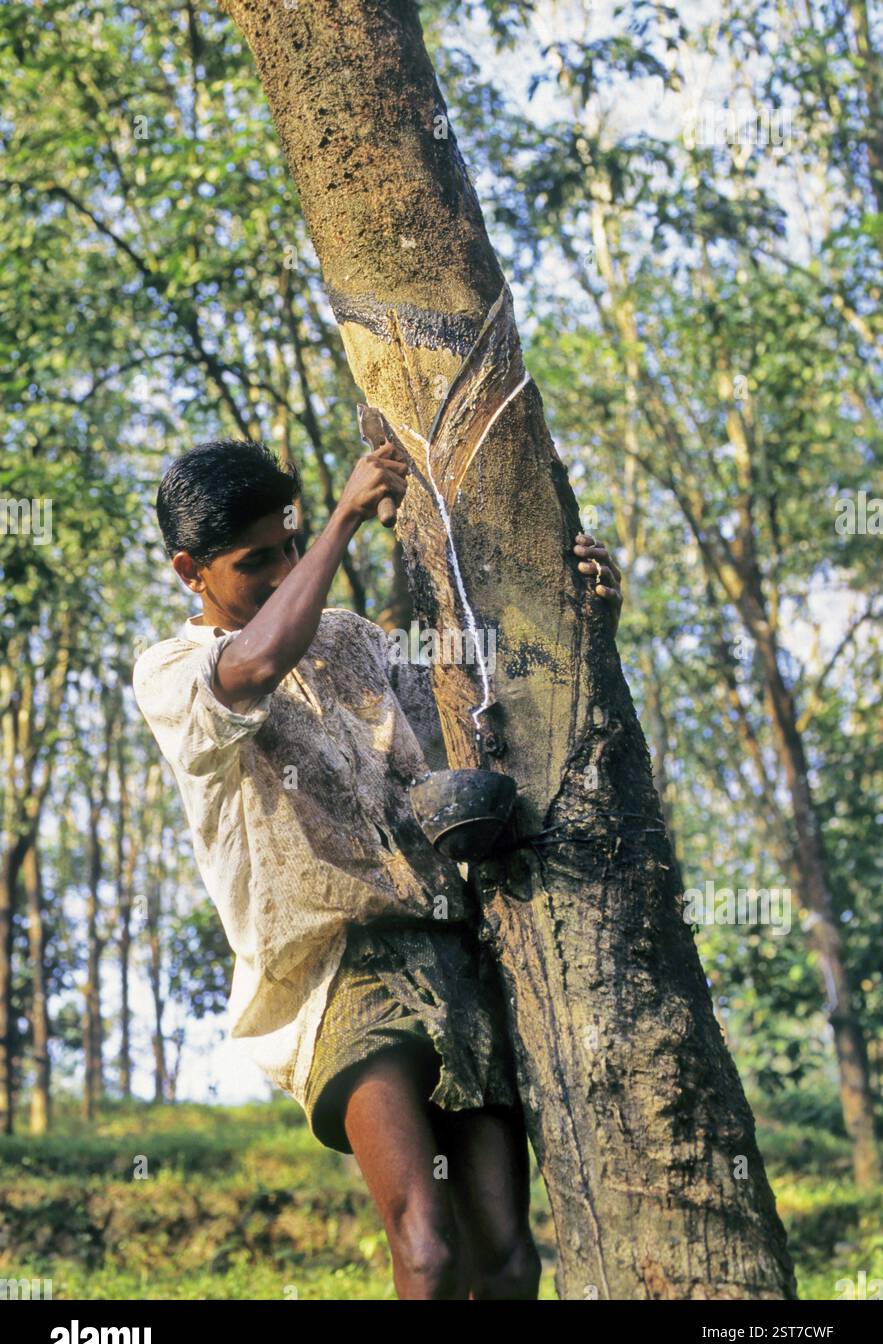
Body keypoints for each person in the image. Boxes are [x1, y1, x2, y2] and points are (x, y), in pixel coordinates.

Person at [132, 435, 623, 1300]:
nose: (286, 571)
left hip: (449, 949)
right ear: (189, 571)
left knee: (505, 1262)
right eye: (258, 562)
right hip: (335, 981)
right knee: (426, 1251)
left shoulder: (354, 640)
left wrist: (584, 626)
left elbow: (459, 751)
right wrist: (344, 520)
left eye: (291, 546)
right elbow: (249, 671)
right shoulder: (171, 672)